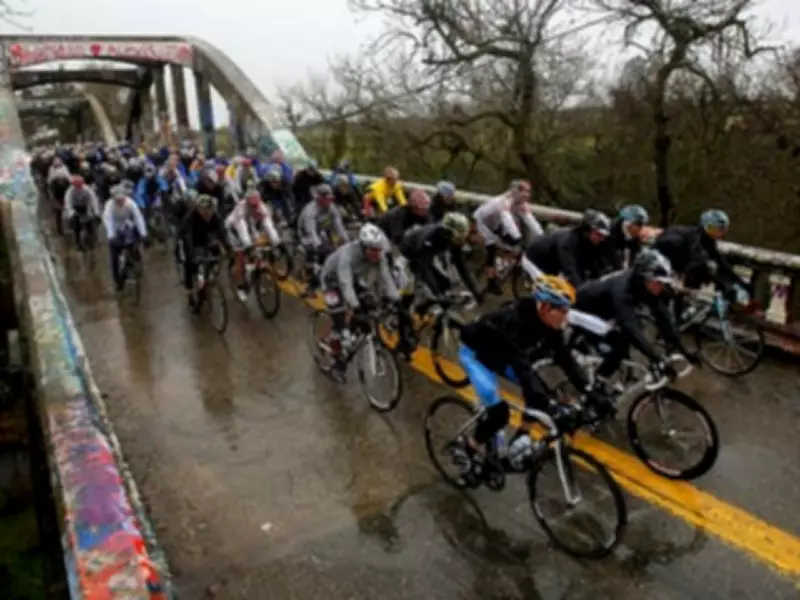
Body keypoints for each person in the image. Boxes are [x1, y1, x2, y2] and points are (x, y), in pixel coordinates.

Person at [454, 275, 593, 478]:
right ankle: (468, 447)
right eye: (562, 311)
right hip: (477, 355)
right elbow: (522, 368)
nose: (566, 317)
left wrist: (588, 389)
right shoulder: (515, 322)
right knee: (500, 413)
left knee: (540, 390)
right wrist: (548, 404)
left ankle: (522, 435)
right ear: (545, 308)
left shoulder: (548, 323)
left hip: (502, 356)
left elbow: (564, 357)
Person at [573, 249, 699, 394]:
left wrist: (684, 350)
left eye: (662, 283)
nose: (660, 287)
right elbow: (629, 326)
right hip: (584, 311)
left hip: (606, 309)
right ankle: (596, 385)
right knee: (619, 347)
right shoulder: (622, 290)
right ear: (643, 277)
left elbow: (663, 318)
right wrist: (655, 357)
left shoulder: (646, 285)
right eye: (657, 282)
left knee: (630, 338)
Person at [319, 223, 401, 382]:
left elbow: (386, 279)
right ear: (363, 247)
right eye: (373, 250)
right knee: (341, 320)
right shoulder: (347, 255)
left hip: (355, 278)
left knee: (369, 305)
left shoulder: (379, 255)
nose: (377, 254)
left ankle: (352, 332)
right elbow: (345, 284)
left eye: (379, 250)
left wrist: (397, 301)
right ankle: (336, 363)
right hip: (332, 282)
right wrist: (355, 307)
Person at [398, 212, 482, 356]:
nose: (462, 241)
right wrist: (437, 295)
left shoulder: (451, 238)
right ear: (449, 233)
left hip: (428, 256)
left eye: (463, 238)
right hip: (411, 256)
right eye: (459, 238)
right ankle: (402, 338)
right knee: (408, 295)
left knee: (444, 283)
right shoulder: (429, 238)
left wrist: (475, 289)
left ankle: (423, 309)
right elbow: (423, 269)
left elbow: (461, 266)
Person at [653, 209, 751, 321]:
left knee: (690, 283)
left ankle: (677, 316)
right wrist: (718, 281)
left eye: (720, 230)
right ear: (704, 226)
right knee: (691, 277)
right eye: (712, 229)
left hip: (678, 258)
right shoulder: (696, 238)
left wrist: (742, 283)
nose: (716, 234)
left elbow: (721, 262)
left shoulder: (708, 240)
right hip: (667, 256)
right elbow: (696, 262)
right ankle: (672, 318)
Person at [473, 180, 544, 294]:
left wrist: (542, 237)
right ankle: (491, 282)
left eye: (528, 192)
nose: (527, 195)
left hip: (496, 223)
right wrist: (517, 238)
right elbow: (507, 219)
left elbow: (530, 220)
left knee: (512, 244)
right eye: (524, 192)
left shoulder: (521, 203)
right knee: (492, 247)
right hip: (482, 223)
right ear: (516, 192)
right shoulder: (504, 201)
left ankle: (502, 265)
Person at [524, 208, 610, 289]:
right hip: (535, 261)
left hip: (553, 264)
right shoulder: (567, 241)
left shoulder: (589, 242)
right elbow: (570, 270)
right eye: (599, 235)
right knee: (549, 293)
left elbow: (594, 268)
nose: (602, 239)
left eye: (604, 236)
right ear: (587, 230)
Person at [224, 189, 283, 302]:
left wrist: (277, 241)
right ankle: (240, 286)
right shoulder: (241, 208)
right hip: (234, 229)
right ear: (246, 202)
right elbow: (241, 228)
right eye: (252, 205)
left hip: (250, 225)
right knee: (241, 255)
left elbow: (268, 224)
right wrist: (248, 246)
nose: (255, 207)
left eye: (256, 205)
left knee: (259, 247)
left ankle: (255, 269)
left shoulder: (262, 206)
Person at [178, 194, 230, 310]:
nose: (207, 213)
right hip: (190, 240)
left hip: (205, 238)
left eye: (209, 210)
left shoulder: (215, 216)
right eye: (204, 211)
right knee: (190, 264)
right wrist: (193, 257)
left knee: (215, 252)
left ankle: (208, 277)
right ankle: (190, 290)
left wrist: (227, 247)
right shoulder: (191, 218)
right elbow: (188, 239)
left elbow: (222, 232)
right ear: (198, 209)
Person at [296, 184, 349, 292]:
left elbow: (338, 225)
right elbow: (311, 231)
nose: (329, 201)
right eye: (327, 199)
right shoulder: (310, 211)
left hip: (321, 230)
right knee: (317, 250)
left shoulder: (331, 207)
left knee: (332, 249)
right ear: (319, 198)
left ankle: (324, 268)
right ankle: (311, 280)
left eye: (331, 199)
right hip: (306, 232)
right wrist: (318, 245)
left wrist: (346, 240)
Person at [102, 185, 148, 291]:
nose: (120, 202)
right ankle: (117, 280)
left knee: (135, 243)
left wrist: (143, 234)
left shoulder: (130, 203)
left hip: (129, 226)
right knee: (114, 256)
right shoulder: (109, 206)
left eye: (122, 199)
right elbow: (108, 221)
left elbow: (138, 217)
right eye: (117, 200)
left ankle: (136, 262)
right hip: (116, 229)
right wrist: (111, 236)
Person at [603, 204, 649, 272]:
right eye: (639, 225)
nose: (641, 229)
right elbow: (612, 257)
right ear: (628, 223)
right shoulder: (611, 233)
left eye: (642, 225)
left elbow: (636, 253)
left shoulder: (635, 234)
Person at [63, 175, 101, 250]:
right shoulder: (69, 191)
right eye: (76, 185)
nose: (78, 187)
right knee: (76, 226)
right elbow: (68, 203)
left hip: (86, 207)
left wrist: (96, 212)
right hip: (75, 208)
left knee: (90, 223)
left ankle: (92, 238)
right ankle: (77, 242)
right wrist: (72, 213)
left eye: (79, 185)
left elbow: (94, 201)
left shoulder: (88, 190)